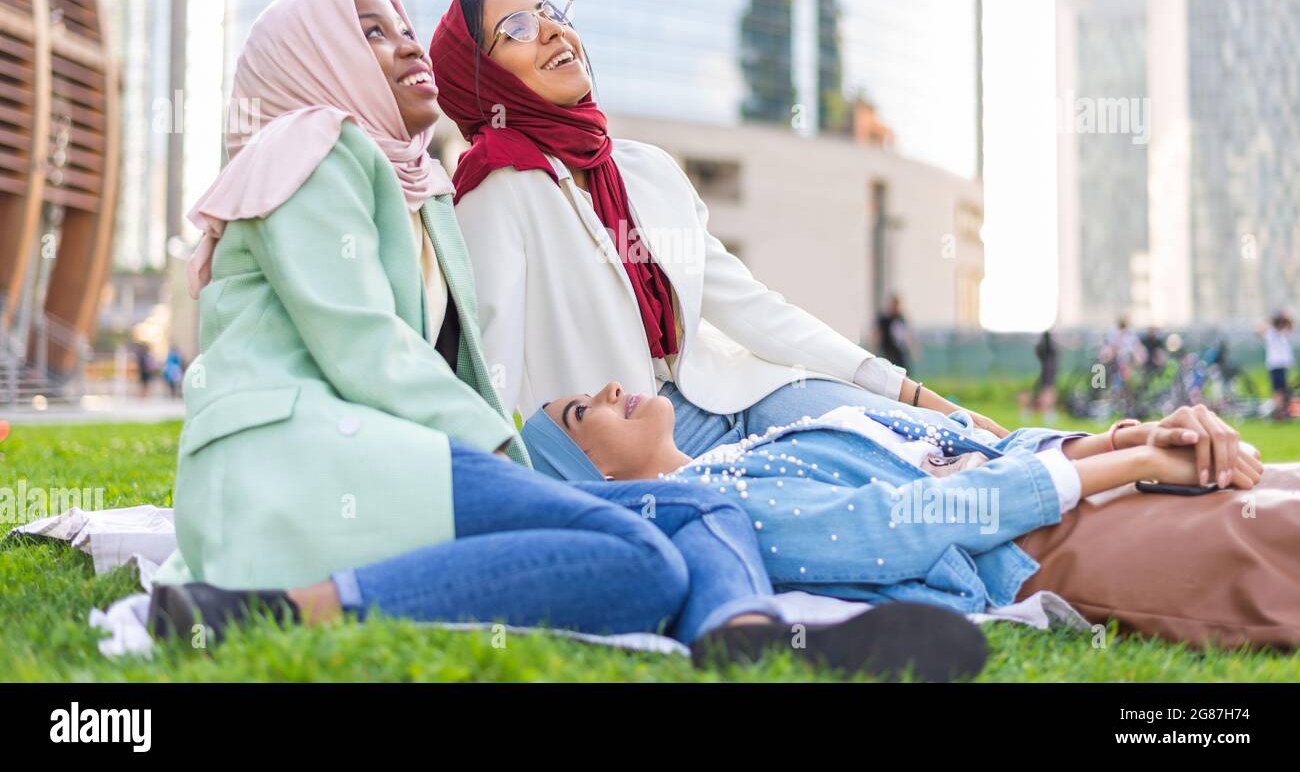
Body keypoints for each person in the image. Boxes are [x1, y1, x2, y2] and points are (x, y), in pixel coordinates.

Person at [145, 0, 980, 678]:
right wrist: (514, 458)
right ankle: (274, 609)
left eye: (403, 25)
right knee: (646, 548)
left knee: (694, 504)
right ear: (314, 59)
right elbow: (365, 347)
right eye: (369, 32)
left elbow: (459, 356)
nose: (402, 42)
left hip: (391, 453)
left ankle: (743, 632)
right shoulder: (315, 145)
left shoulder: (422, 190)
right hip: (304, 460)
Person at [428, 0, 1009, 467]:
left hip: (740, 392)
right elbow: (489, 376)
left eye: (550, 12)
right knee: (890, 480)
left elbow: (753, 309)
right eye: (519, 30)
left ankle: (1074, 460)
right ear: (481, 78)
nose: (552, 29)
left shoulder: (644, 169)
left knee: (948, 442)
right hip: (634, 447)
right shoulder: (495, 192)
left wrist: (912, 393)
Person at [520, 380, 1300, 649]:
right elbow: (908, 522)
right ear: (594, 473)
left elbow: (963, 447)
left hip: (1073, 482)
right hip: (1041, 544)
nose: (614, 388)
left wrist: (1131, 436)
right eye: (584, 410)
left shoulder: (759, 441)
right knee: (1275, 535)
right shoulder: (721, 505)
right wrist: (1133, 464)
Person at [1264, 312, 1295, 421]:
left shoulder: (1284, 333)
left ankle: (1283, 411)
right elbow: (1259, 329)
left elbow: (1291, 326)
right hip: (1275, 365)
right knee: (1278, 390)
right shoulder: (1271, 332)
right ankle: (1278, 411)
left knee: (1283, 389)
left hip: (1283, 365)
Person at [875, 294, 913, 370]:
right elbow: (878, 334)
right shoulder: (884, 319)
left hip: (899, 350)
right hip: (888, 350)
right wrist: (876, 347)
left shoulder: (901, 318)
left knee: (904, 369)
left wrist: (911, 347)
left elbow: (906, 334)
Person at [1031, 329, 1057, 420]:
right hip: (1049, 372)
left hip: (1047, 372)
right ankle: (1046, 410)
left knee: (1047, 391)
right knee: (1047, 391)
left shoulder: (1044, 348)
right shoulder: (1051, 348)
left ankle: (1047, 410)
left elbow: (1038, 351)